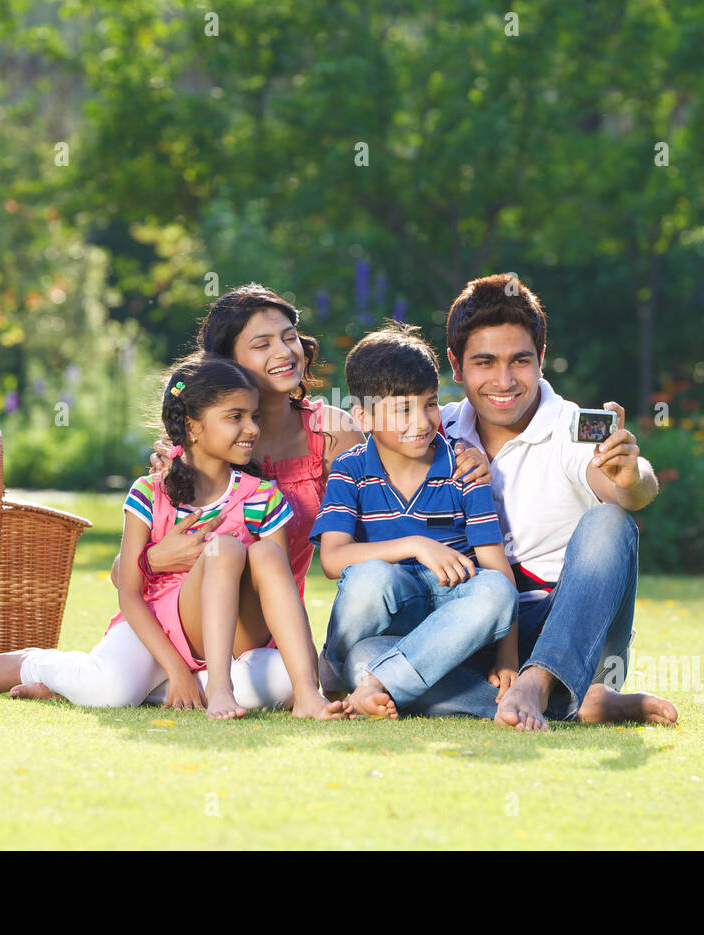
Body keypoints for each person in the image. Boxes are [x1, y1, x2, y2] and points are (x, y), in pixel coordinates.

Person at [106, 284, 491, 698]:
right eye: (262, 343)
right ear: (227, 362)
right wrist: (157, 556)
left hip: (265, 633)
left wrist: (464, 454)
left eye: (290, 337)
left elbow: (404, 437)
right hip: (178, 616)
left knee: (291, 683)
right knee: (107, 684)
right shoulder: (199, 447)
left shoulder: (331, 432)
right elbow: (122, 577)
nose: (285, 351)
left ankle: (189, 684)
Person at [337, 274, 680, 731]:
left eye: (520, 361)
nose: (504, 380)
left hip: (570, 629)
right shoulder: (435, 429)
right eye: (485, 362)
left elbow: (632, 494)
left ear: (540, 360)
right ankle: (573, 707)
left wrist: (630, 476)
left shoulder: (569, 426)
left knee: (610, 522)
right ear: (457, 369)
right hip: (469, 629)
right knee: (366, 660)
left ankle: (540, 685)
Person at [0, 353, 349, 721]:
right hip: (159, 626)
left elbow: (277, 592)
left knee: (282, 672)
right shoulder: (149, 491)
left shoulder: (262, 496)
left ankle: (300, 698)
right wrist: (176, 668)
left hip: (235, 642)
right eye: (235, 417)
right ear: (192, 426)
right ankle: (33, 663)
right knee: (109, 690)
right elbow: (129, 592)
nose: (252, 429)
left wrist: (304, 682)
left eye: (254, 416)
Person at [311, 323, 520, 718]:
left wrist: (508, 657)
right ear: (364, 417)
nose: (422, 421)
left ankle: (378, 684)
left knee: (495, 589)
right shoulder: (349, 470)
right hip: (384, 624)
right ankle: (338, 675)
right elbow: (332, 560)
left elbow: (495, 567)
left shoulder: (464, 468)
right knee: (371, 577)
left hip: (449, 619)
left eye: (429, 403)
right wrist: (416, 545)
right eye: (402, 409)